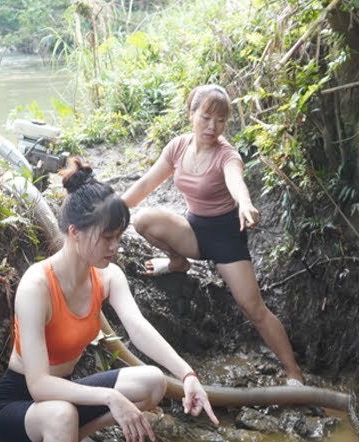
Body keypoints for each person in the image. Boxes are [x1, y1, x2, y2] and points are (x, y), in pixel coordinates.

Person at [0, 157, 219, 442]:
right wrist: (110, 398)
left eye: (119, 236)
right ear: (74, 233)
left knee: (150, 382)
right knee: (60, 414)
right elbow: (39, 385)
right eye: (107, 237)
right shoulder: (37, 285)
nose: (116, 247)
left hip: (67, 398)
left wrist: (187, 373)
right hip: (19, 405)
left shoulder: (107, 277)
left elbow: (139, 328)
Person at [121, 84, 305, 386]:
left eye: (220, 121)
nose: (212, 127)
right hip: (194, 231)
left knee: (252, 307)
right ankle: (178, 262)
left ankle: (294, 373)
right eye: (206, 117)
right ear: (191, 114)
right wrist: (113, 209)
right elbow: (145, 185)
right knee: (144, 220)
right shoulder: (178, 147)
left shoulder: (227, 154)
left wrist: (245, 204)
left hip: (227, 238)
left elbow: (236, 181)